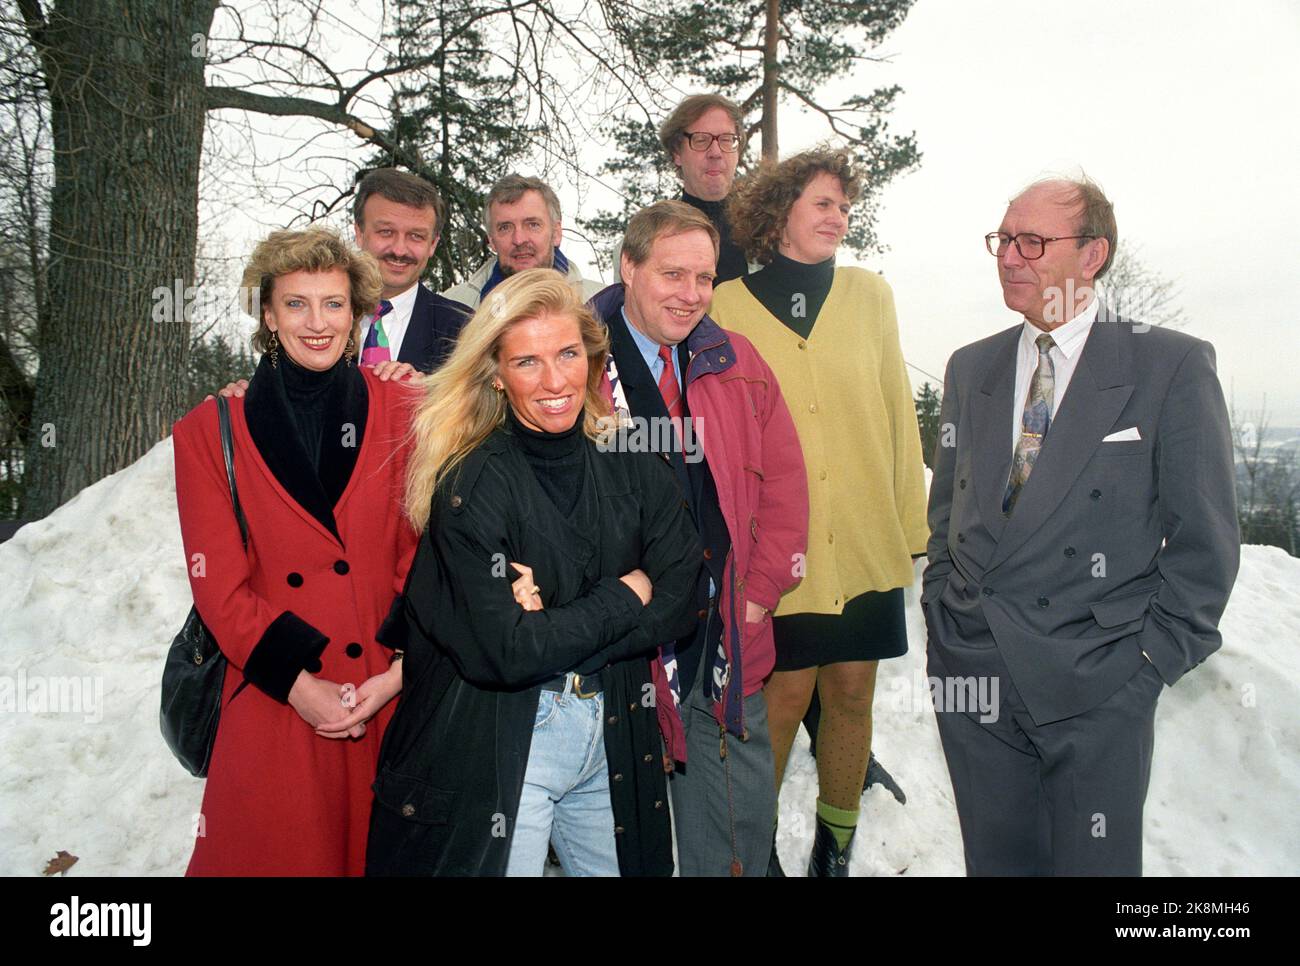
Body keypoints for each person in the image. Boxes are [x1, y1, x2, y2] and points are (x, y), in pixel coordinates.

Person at [922, 176, 1239, 875]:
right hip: (974, 674)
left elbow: (1205, 543)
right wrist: (944, 620)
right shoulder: (971, 367)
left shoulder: (1168, 365)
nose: (1009, 256)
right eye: (1002, 239)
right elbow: (948, 511)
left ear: (1092, 254)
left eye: (1031, 241)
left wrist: (1146, 666)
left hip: (1097, 684)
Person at [361, 269, 702, 876]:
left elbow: (680, 596)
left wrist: (553, 624)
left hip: (613, 725)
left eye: (568, 353)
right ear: (495, 372)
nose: (554, 381)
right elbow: (509, 653)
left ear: (593, 359)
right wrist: (626, 592)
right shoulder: (472, 482)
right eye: (527, 363)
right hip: (508, 736)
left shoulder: (630, 459)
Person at [172, 227, 421, 875]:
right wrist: (300, 685)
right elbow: (219, 588)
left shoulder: (404, 407)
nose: (317, 323)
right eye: (296, 304)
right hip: (277, 701)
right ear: (267, 315)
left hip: (386, 698)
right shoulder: (208, 431)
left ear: (357, 313)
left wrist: (398, 669)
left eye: (333, 304)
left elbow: (425, 554)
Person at [710, 148, 929, 876]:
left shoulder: (870, 295)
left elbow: (898, 408)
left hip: (863, 530)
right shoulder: (724, 306)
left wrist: (911, 522)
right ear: (778, 215)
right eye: (822, 203)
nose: (838, 216)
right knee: (784, 692)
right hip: (780, 544)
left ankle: (836, 846)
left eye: (843, 205)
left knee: (852, 689)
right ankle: (756, 845)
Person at [587, 200, 809, 876]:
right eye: (671, 275)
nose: (691, 296)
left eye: (704, 279)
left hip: (723, 630)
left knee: (736, 822)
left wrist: (762, 590)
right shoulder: (577, 357)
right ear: (629, 266)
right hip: (614, 643)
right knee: (619, 830)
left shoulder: (732, 358)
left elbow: (786, 483)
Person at [352, 168, 472, 373]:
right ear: (360, 234)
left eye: (416, 236)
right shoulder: (321, 317)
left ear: (433, 244)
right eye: (386, 232)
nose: (399, 250)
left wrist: (428, 395)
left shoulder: (462, 330)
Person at [442, 174, 603, 309]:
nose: (519, 239)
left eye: (532, 225)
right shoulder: (454, 307)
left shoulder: (601, 305)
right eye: (505, 227)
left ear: (556, 233)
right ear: (491, 240)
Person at [658, 94, 749, 283]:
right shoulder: (651, 237)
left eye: (726, 140)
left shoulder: (768, 233)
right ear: (677, 153)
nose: (715, 152)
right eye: (700, 140)